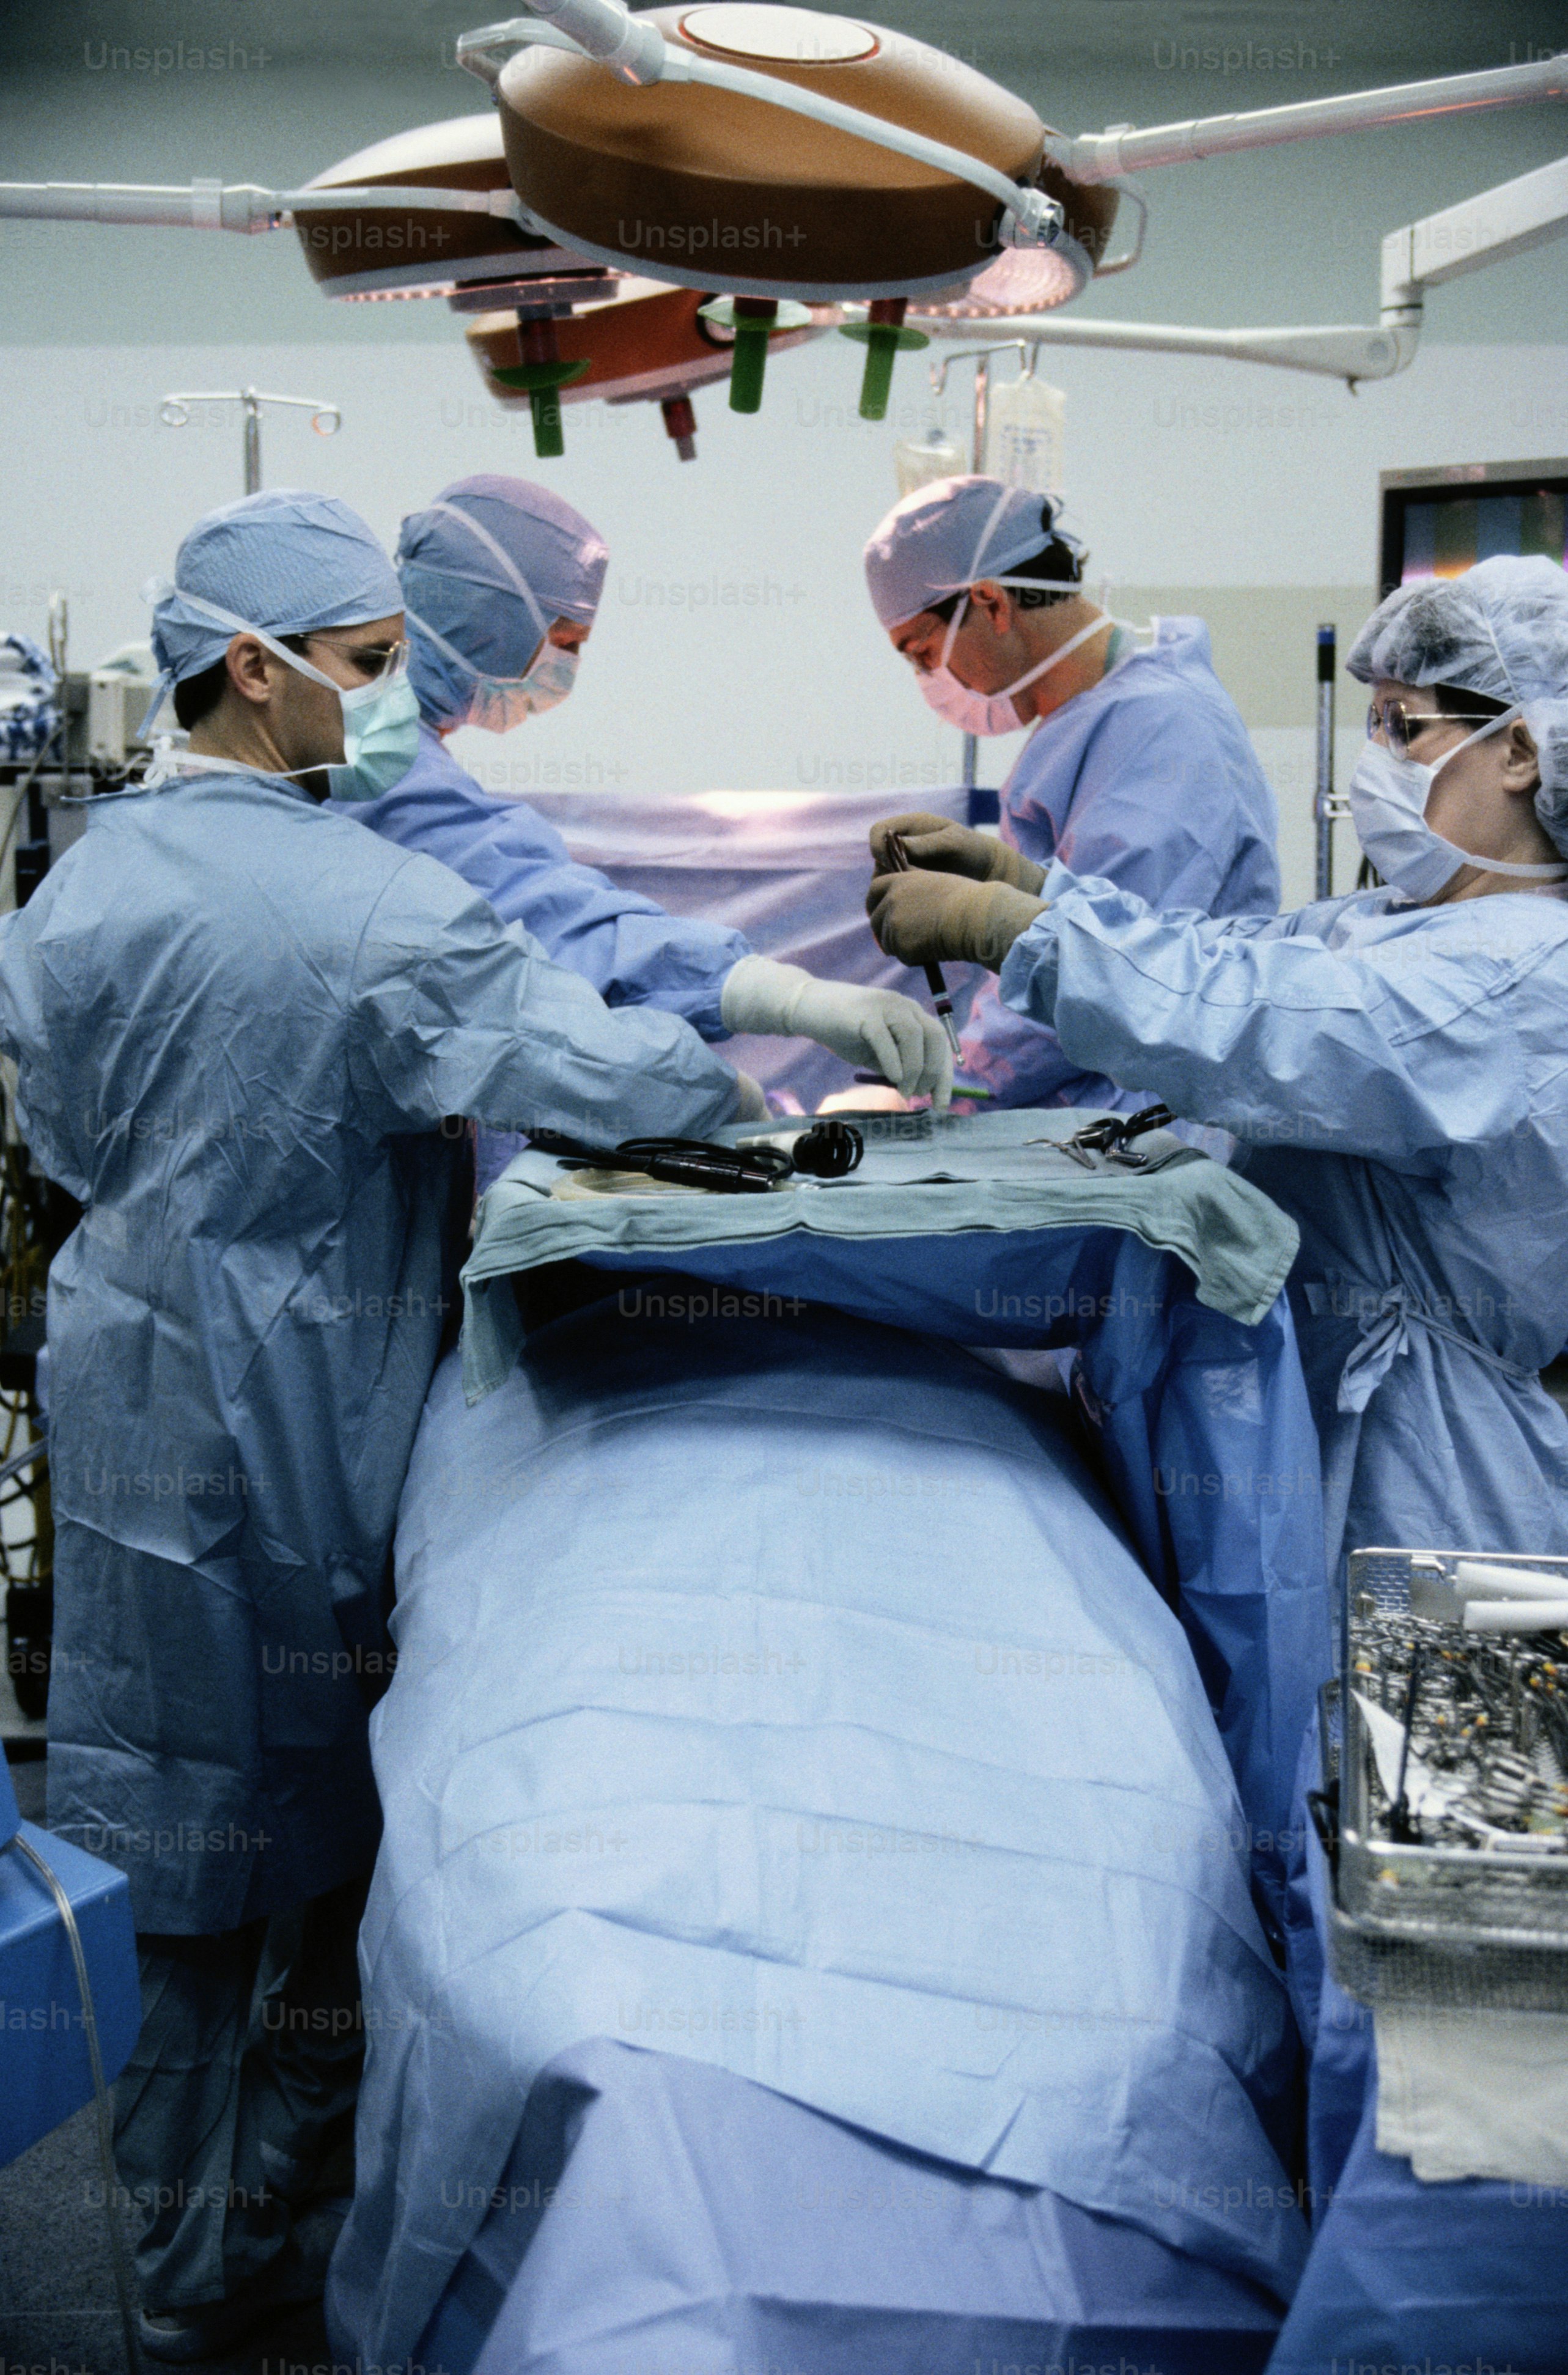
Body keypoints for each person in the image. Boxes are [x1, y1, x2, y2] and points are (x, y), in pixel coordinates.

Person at [0, 488, 779, 2362]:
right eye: (357, 671)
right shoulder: (368, 900)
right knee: (326, 1800)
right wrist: (766, 1034)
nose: (376, 707)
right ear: (251, 669)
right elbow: (603, 1058)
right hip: (298, 1384)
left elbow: (60, 1136)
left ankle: (181, 2232)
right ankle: (251, 2236)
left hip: (123, 1357)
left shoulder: (82, 877)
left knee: (172, 1810)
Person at [866, 553, 1568, 1583]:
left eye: (1406, 728)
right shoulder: (1384, 926)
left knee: (1373, 1739)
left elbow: (1254, 1027)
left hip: (1422, 1473)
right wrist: (1040, 891)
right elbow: (1230, 963)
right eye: (1373, 725)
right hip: (1311, 1418)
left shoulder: (1524, 978)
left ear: (1520, 751)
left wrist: (1024, 936)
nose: (1379, 760)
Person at [340, 474, 949, 1180]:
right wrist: (777, 1012)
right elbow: (551, 923)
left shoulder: (389, 754)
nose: (567, 669)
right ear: (490, 626)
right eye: (564, 641)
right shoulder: (378, 773)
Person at [861, 473, 1281, 1108]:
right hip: (1077, 1115)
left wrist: (945, 1092)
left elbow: (1097, 973)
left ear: (992, 604)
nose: (931, 679)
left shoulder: (1159, 733)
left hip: (1144, 1128)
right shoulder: (1087, 729)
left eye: (922, 653)